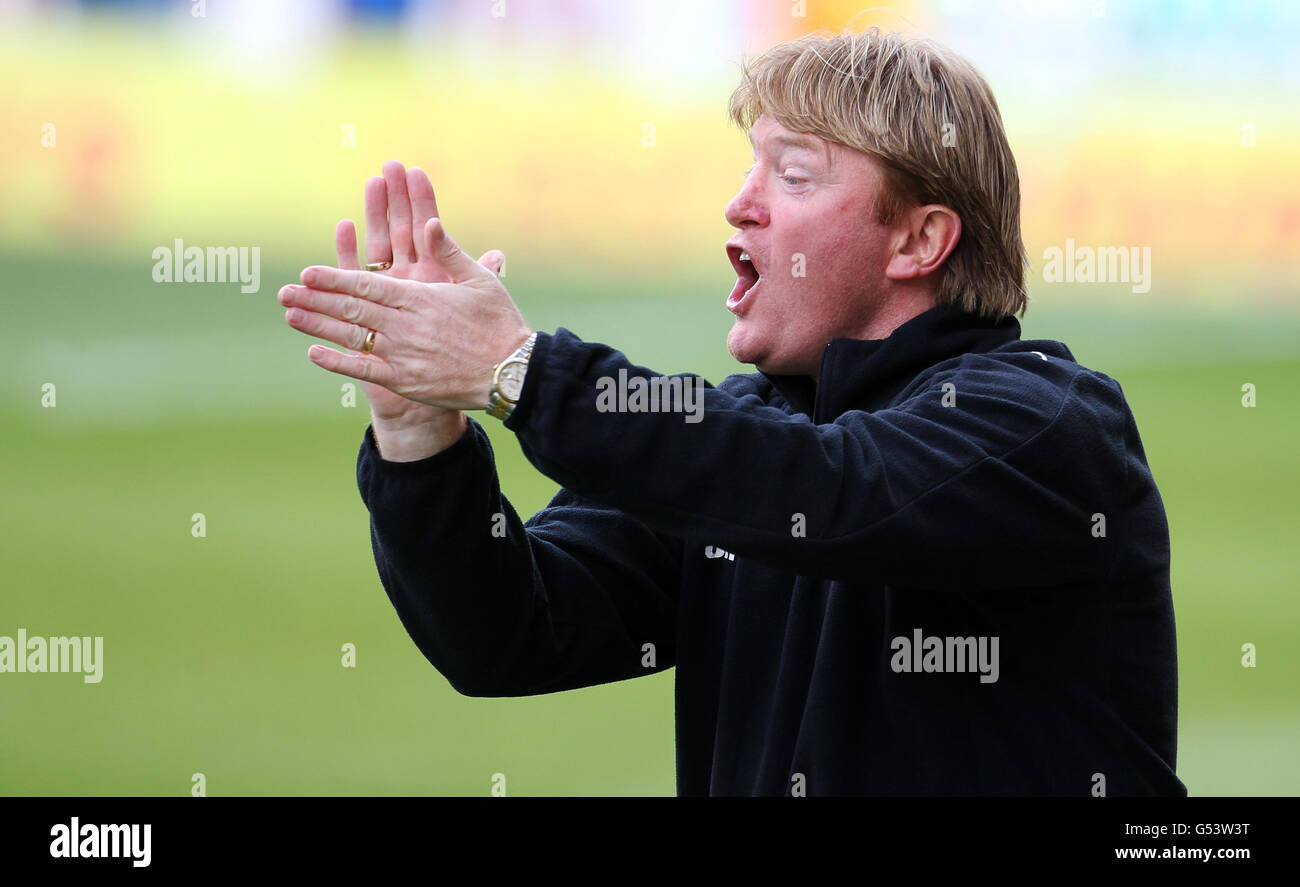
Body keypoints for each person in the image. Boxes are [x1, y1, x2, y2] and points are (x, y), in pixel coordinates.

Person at [278, 28, 1185, 796]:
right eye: (750, 166)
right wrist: (419, 437)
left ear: (918, 239)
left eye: (792, 176)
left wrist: (522, 372)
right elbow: (508, 637)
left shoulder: (1045, 422)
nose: (738, 204)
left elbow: (834, 491)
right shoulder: (747, 439)